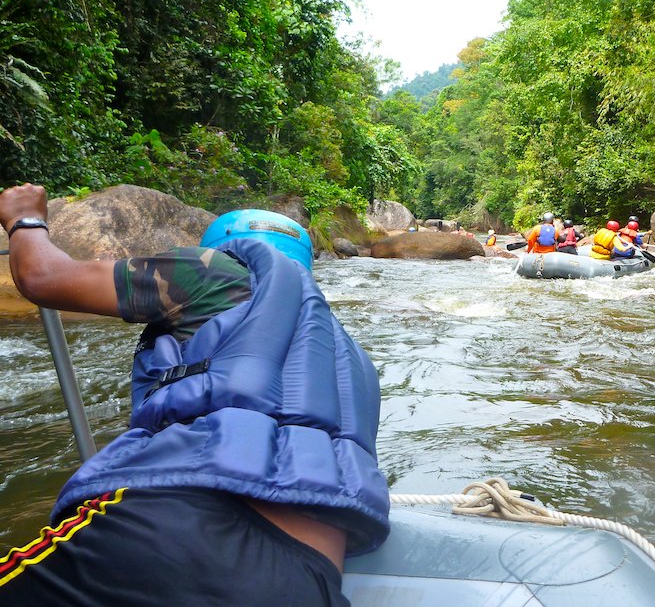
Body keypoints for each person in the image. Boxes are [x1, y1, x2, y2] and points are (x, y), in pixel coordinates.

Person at [0, 183, 390, 607]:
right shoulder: (351, 360)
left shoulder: (211, 270)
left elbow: (43, 277)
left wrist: (25, 219)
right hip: (307, 579)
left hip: (171, 526)